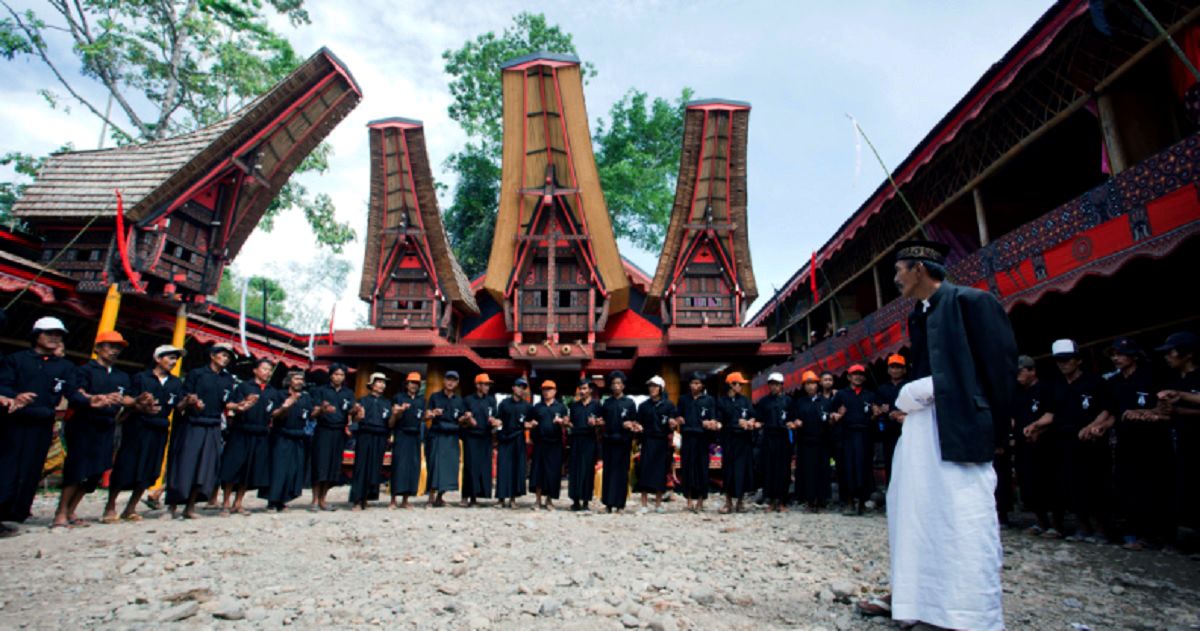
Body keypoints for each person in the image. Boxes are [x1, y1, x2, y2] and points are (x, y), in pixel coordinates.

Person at [859, 239, 1016, 631]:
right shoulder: (919, 315)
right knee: (912, 510)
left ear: (919, 269)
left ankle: (964, 611)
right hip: (924, 426)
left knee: (958, 515)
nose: (895, 279)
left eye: (898, 270)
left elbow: (998, 372)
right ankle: (915, 598)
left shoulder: (973, 303)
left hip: (961, 424)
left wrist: (992, 428)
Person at [1092, 338, 1172, 550]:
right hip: (1126, 442)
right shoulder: (1114, 383)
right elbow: (1111, 413)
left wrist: (1146, 413)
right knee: (1128, 486)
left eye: (1120, 353)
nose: (1116, 358)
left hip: (1154, 442)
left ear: (1134, 355)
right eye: (1113, 354)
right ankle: (1135, 533)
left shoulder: (1153, 376)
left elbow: (1166, 410)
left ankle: (1159, 536)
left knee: (1154, 487)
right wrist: (1098, 426)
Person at [0, 317, 76, 536]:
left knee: (30, 471)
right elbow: (4, 384)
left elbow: (73, 393)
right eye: (49, 333)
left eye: (58, 334)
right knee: (6, 469)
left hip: (42, 424)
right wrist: (14, 396)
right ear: (36, 335)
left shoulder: (65, 367)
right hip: (13, 423)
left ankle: (11, 514)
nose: (55, 337)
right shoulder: (16, 360)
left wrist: (92, 399)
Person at [1033, 339, 1114, 542]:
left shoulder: (1095, 382)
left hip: (1090, 441)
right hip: (1063, 440)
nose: (1063, 364)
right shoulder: (1056, 386)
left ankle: (1103, 529)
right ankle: (1083, 527)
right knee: (1071, 485)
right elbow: (1050, 413)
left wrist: (1092, 426)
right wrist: (1036, 426)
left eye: (1067, 360)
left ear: (1078, 360)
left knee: (1096, 485)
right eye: (1059, 361)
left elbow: (1107, 410)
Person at [53, 330, 135, 528]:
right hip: (84, 423)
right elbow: (75, 395)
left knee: (96, 471)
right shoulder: (83, 371)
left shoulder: (122, 376)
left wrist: (138, 402)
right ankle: (61, 512)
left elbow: (127, 399)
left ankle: (72, 510)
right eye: (109, 346)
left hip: (107, 425)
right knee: (77, 468)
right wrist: (93, 400)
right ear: (98, 348)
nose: (114, 351)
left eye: (117, 347)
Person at [106, 345, 185, 523]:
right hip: (138, 427)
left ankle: (131, 508)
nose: (173, 362)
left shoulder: (176, 383)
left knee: (149, 468)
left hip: (160, 428)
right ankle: (110, 506)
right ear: (158, 359)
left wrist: (188, 401)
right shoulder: (140, 378)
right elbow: (126, 399)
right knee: (126, 465)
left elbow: (178, 406)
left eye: (175, 359)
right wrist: (138, 402)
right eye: (170, 358)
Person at [167, 342, 236, 519]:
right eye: (223, 355)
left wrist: (241, 405)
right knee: (185, 465)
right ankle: (172, 507)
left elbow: (227, 403)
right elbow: (181, 401)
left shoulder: (228, 380)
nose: (225, 359)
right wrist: (191, 401)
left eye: (228, 357)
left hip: (213, 425)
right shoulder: (197, 374)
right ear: (212, 355)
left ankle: (190, 508)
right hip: (193, 423)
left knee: (204, 469)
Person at [1150, 332, 1200, 532]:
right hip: (1182, 443)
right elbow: (1167, 412)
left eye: (1171, 352)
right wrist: (1152, 413)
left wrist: (1180, 399)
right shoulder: (1172, 379)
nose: (1167, 356)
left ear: (1187, 355)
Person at [1011, 355, 1063, 536]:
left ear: (1032, 370)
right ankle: (1040, 522)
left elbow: (1051, 414)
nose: (1017, 375)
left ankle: (1057, 525)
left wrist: (1036, 426)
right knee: (1029, 484)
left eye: (1020, 371)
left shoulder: (1046, 388)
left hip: (1045, 443)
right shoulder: (1017, 392)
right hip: (1023, 444)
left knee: (1050, 483)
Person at [217, 358, 275, 516]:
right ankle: (226, 502)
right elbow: (230, 405)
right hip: (241, 431)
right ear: (255, 370)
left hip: (260, 433)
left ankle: (239, 502)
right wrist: (242, 405)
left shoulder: (271, 391)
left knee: (249, 468)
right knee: (233, 466)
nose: (267, 372)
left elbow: (273, 412)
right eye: (264, 369)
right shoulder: (244, 387)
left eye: (269, 370)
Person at [262, 370, 315, 511]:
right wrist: (287, 405)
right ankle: (272, 500)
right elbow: (274, 415)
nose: (299, 381)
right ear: (289, 381)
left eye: (301, 379)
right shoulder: (280, 395)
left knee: (293, 470)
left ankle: (283, 499)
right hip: (281, 436)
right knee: (279, 469)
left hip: (298, 437)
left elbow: (310, 415)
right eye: (296, 378)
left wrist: (322, 409)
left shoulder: (306, 398)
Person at [830, 365, 876, 515]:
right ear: (848, 377)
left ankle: (862, 502)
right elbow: (831, 415)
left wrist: (876, 414)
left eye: (860, 374)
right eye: (854, 374)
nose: (857, 377)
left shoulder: (870, 395)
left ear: (864, 377)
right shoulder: (841, 394)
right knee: (847, 468)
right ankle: (849, 502)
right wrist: (836, 416)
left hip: (864, 436)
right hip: (846, 436)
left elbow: (874, 417)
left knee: (864, 468)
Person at [311, 363, 356, 511]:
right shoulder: (321, 391)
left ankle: (323, 499)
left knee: (332, 466)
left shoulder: (348, 393)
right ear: (330, 375)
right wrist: (322, 410)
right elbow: (313, 413)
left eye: (342, 375)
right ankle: (314, 500)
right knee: (320, 464)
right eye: (336, 374)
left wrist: (357, 412)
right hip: (323, 430)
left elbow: (351, 412)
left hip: (339, 432)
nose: (339, 377)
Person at [789, 371, 832, 512]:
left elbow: (831, 421)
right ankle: (809, 501)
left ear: (817, 384)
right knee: (807, 471)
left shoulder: (826, 402)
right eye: (807, 383)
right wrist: (796, 422)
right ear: (804, 386)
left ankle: (821, 500)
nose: (810, 386)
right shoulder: (799, 402)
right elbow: (793, 419)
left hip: (822, 442)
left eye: (813, 383)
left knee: (822, 471)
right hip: (805, 442)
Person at [634, 376, 677, 514]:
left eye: (655, 386)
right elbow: (638, 423)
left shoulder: (669, 405)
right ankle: (644, 504)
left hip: (662, 442)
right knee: (644, 471)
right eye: (650, 386)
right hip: (647, 441)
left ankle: (658, 504)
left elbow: (673, 425)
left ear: (661, 388)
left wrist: (673, 424)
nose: (652, 388)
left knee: (660, 472)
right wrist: (637, 427)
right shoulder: (643, 406)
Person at [677, 372, 718, 513]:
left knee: (702, 468)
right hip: (687, 437)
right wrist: (678, 419)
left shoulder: (709, 400)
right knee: (687, 467)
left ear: (702, 385)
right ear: (689, 385)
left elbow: (713, 418)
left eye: (698, 383)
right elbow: (678, 416)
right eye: (693, 382)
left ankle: (700, 500)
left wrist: (711, 423)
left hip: (702, 438)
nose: (695, 385)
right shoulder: (683, 399)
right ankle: (688, 499)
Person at [350, 372, 391, 510]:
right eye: (379, 382)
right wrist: (358, 416)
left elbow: (389, 422)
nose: (382, 385)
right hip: (365, 435)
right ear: (372, 384)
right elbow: (355, 420)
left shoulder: (387, 403)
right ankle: (357, 499)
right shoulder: (363, 401)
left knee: (375, 468)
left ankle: (367, 497)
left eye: (383, 382)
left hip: (380, 435)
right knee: (361, 467)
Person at [717, 372, 757, 514]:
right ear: (731, 385)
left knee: (743, 471)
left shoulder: (745, 400)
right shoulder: (722, 402)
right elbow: (720, 421)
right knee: (729, 470)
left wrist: (751, 421)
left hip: (744, 441)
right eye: (738, 384)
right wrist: (737, 423)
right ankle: (728, 502)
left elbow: (753, 414)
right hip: (729, 441)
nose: (741, 386)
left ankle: (740, 502)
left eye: (741, 384)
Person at [600, 371, 638, 513]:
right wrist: (599, 422)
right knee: (608, 473)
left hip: (623, 443)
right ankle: (608, 504)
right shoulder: (607, 403)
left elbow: (635, 422)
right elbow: (602, 420)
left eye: (618, 383)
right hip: (609, 442)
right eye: (613, 383)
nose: (616, 386)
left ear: (623, 386)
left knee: (622, 473)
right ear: (611, 386)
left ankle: (620, 505)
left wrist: (631, 424)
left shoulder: (629, 403)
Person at [426, 370, 465, 507]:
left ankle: (440, 497)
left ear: (457, 383)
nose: (450, 382)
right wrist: (432, 413)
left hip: (452, 435)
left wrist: (464, 419)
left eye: (454, 380)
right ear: (444, 380)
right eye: (448, 379)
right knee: (434, 465)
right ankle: (431, 497)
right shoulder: (435, 397)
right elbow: (426, 414)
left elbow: (460, 419)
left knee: (449, 466)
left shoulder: (459, 400)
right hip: (437, 434)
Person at [755, 372, 792, 513]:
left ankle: (782, 501)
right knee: (769, 469)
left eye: (777, 384)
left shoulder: (788, 401)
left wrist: (793, 423)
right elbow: (759, 418)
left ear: (782, 385)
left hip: (783, 438)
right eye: (771, 384)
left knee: (783, 470)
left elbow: (793, 418)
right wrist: (757, 423)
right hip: (768, 438)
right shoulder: (764, 402)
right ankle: (770, 501)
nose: (774, 387)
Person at [530, 380, 569, 510]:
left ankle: (549, 500)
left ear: (555, 391)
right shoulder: (537, 407)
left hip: (555, 444)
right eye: (544, 389)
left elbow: (567, 424)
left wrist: (562, 422)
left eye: (550, 389)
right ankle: (537, 500)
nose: (547, 392)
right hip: (540, 443)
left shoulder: (561, 407)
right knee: (538, 472)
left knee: (552, 473)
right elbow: (530, 423)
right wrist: (532, 425)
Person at [388, 373, 425, 509]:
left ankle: (405, 499)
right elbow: (392, 421)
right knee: (398, 466)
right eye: (411, 382)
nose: (413, 385)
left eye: (416, 383)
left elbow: (422, 417)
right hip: (401, 434)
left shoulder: (421, 400)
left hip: (415, 436)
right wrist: (399, 411)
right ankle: (393, 499)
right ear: (406, 384)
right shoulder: (399, 397)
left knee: (412, 467)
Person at [494, 377, 532, 508]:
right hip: (505, 439)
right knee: (503, 468)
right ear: (513, 388)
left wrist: (530, 424)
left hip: (518, 439)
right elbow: (498, 421)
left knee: (517, 468)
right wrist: (497, 429)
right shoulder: (504, 404)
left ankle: (513, 499)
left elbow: (531, 422)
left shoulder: (527, 406)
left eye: (523, 388)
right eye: (519, 386)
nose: (521, 390)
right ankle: (500, 499)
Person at [461, 374, 498, 507]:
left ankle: (478, 495)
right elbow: (462, 420)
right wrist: (468, 419)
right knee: (471, 466)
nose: (487, 387)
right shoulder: (468, 400)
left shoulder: (491, 401)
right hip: (471, 436)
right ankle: (467, 495)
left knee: (483, 467)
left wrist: (494, 422)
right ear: (478, 385)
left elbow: (495, 417)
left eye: (489, 384)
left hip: (486, 437)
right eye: (485, 384)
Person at [873, 355, 908, 489]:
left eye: (899, 367)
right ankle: (891, 493)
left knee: (907, 462)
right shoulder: (882, 389)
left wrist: (901, 413)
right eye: (892, 367)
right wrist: (879, 409)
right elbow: (876, 407)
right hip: (889, 432)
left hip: (906, 430)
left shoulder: (909, 386)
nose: (895, 370)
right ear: (888, 370)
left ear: (904, 370)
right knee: (890, 462)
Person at [567, 379, 602, 511]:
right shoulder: (574, 406)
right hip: (576, 440)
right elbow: (571, 423)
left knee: (587, 471)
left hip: (590, 440)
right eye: (580, 389)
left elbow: (603, 422)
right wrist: (566, 423)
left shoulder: (597, 405)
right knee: (575, 470)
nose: (582, 391)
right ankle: (575, 500)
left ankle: (586, 501)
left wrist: (597, 422)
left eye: (585, 389)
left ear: (590, 390)